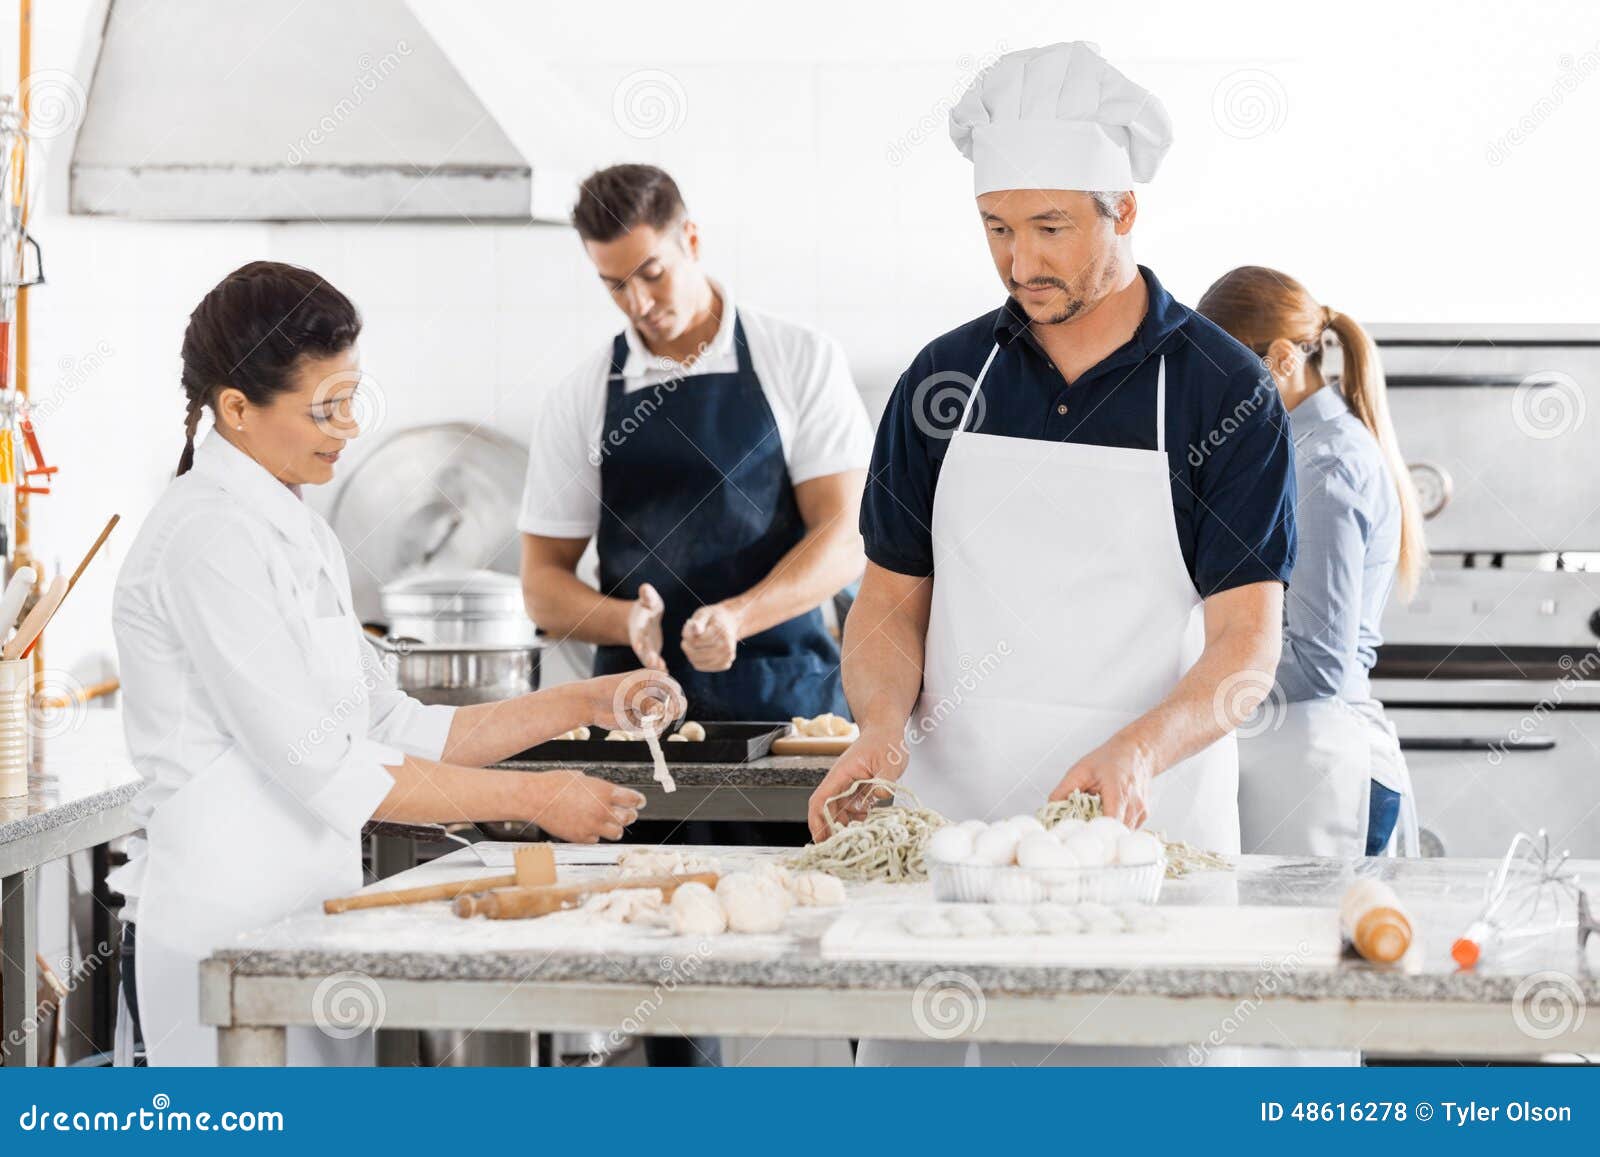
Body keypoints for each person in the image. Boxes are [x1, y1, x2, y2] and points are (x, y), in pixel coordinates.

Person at [807, 42, 1297, 1065]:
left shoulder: (1221, 393)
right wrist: (880, 728)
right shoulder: (941, 381)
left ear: (1124, 211)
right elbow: (889, 602)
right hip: (948, 857)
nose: (1020, 260)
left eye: (1050, 227)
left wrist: (1137, 750)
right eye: (996, 227)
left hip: (1140, 858)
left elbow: (1245, 650)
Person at [110, 261, 681, 1067]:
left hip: (312, 927)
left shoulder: (298, 527)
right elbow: (330, 768)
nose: (348, 426)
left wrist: (584, 700)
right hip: (223, 948)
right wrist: (538, 797)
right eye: (326, 407)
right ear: (236, 409)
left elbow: (393, 725)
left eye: (352, 399)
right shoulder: (207, 539)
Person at [518, 165, 872, 727]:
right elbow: (542, 586)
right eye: (614, 285)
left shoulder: (799, 358)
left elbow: (848, 533)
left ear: (692, 240)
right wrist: (626, 622)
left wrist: (739, 616)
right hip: (637, 716)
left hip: (785, 706)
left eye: (652, 274)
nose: (638, 303)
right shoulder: (579, 395)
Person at [1198, 266, 1425, 857]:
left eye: (1222, 372)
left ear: (1280, 358)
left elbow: (1318, 663)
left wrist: (1196, 688)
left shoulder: (1325, 465)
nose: (1211, 394)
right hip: (1298, 757)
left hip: (1328, 767)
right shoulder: (1293, 448)